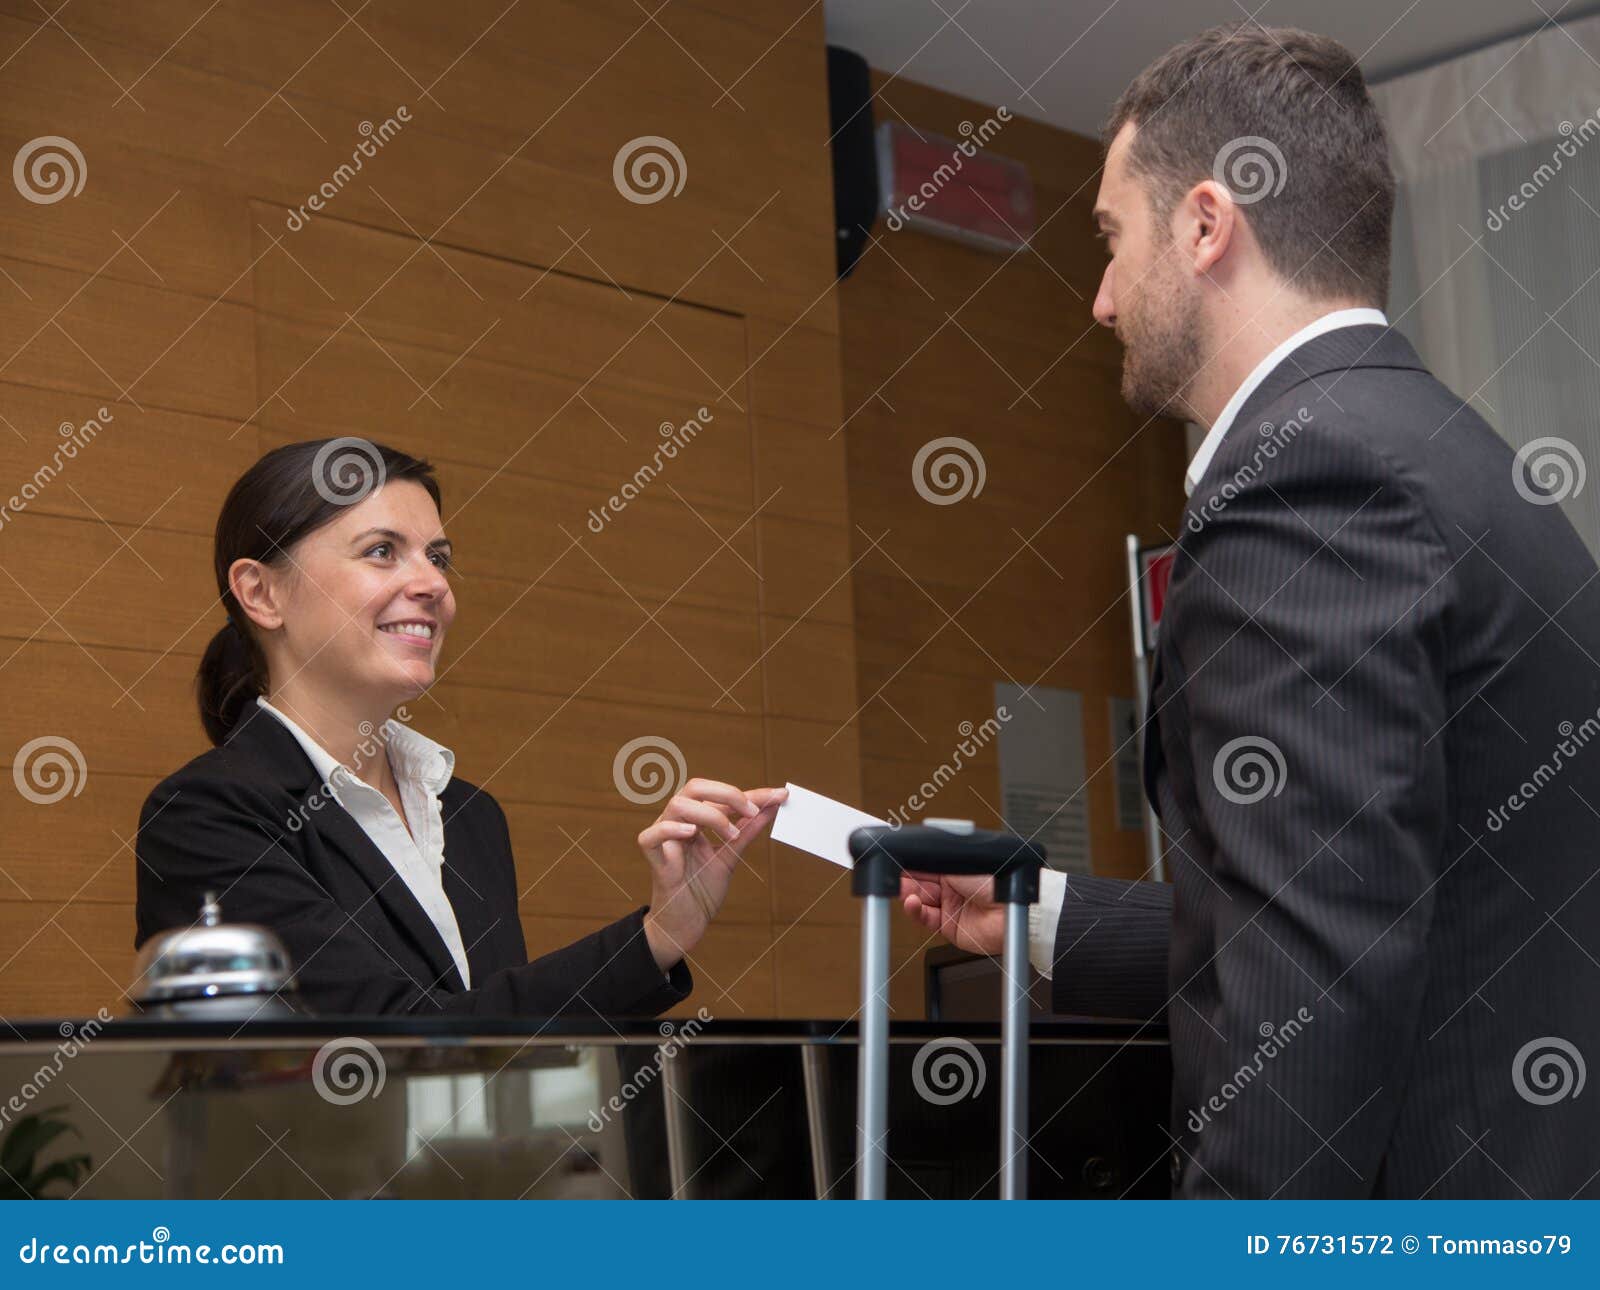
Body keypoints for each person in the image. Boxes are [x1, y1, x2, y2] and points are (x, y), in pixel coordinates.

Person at [901, 23, 1600, 1198]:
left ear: (1205, 225)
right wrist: (1039, 915)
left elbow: (1315, 990)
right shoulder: (1439, 454)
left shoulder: (1308, 485)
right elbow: (1359, 904)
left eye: (1112, 239)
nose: (1100, 300)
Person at [135, 437, 786, 1017]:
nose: (433, 585)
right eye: (382, 551)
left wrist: (666, 930)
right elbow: (389, 1042)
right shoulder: (203, 816)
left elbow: (498, 1053)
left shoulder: (471, 816)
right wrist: (653, 941)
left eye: (438, 558)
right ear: (261, 593)